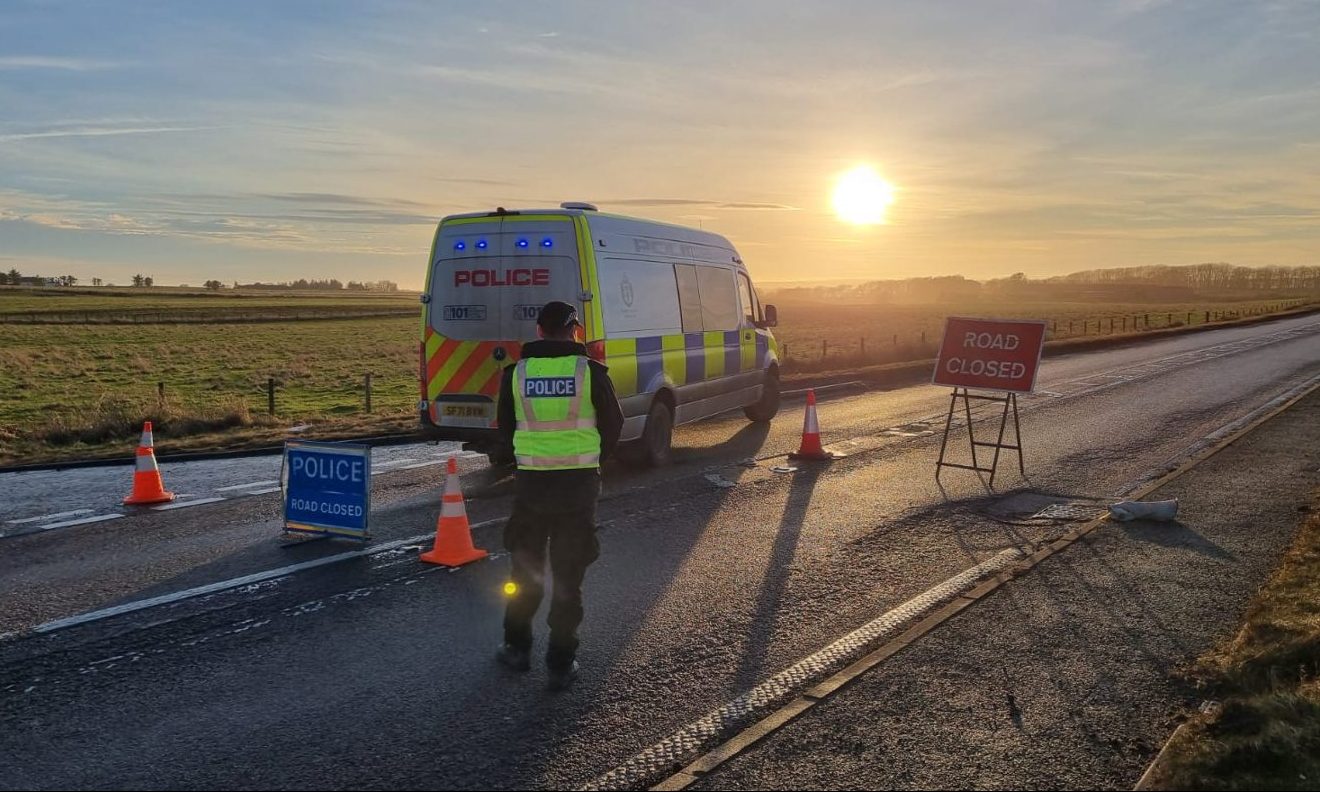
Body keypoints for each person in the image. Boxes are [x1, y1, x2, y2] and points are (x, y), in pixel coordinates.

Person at [495, 300, 623, 690]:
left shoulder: (516, 374)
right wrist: (593, 461)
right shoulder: (590, 372)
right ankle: (561, 663)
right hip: (577, 488)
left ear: (538, 330)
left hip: (531, 487)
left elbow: (504, 429)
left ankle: (517, 649)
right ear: (574, 331)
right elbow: (614, 422)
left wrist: (519, 461)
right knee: (569, 578)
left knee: (524, 573)